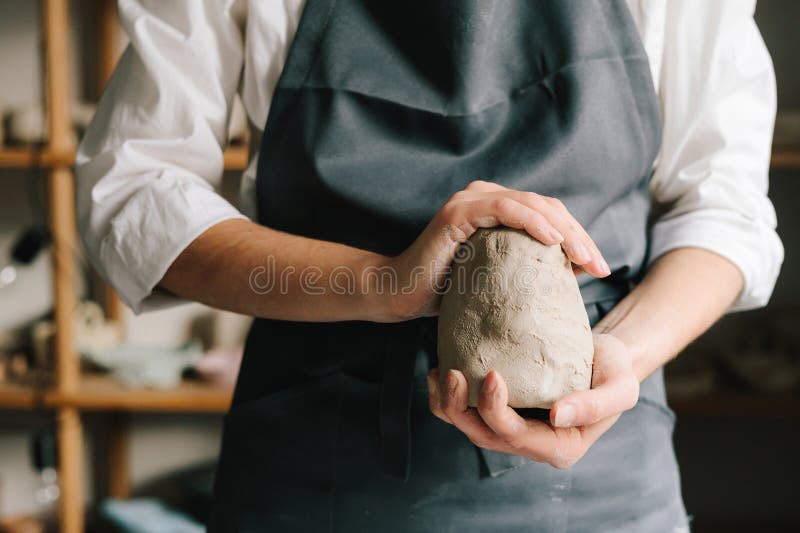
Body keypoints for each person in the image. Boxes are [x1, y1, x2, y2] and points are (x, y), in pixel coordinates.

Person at [77, 1, 782, 531]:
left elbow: (726, 205)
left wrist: (622, 352)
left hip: (600, 476)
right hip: (316, 466)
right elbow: (134, 192)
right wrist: (382, 282)